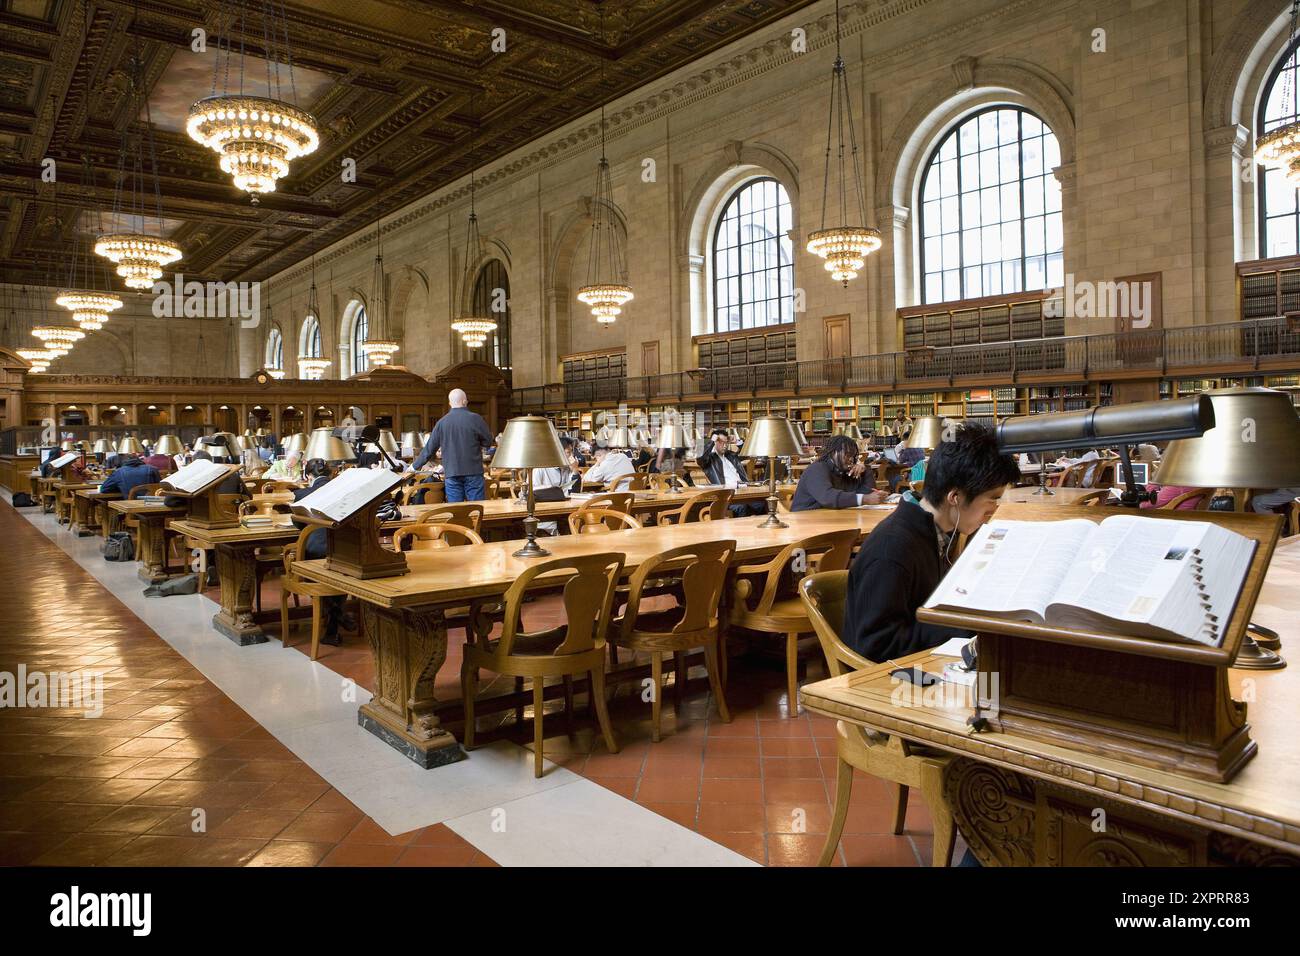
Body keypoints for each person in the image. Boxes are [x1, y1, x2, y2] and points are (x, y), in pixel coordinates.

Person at [844, 422, 1021, 662]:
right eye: (992, 499)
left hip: (929, 663)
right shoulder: (891, 549)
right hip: (889, 680)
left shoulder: (944, 531)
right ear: (955, 497)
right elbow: (877, 646)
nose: (994, 509)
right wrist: (965, 626)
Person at [292, 459, 349, 645]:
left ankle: (332, 614)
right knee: (339, 570)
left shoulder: (301, 494)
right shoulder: (342, 492)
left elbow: (298, 524)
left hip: (314, 553)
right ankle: (337, 615)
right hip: (342, 552)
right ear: (331, 474)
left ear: (309, 476)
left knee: (318, 565)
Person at [411, 388, 493, 502]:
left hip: (452, 471)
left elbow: (429, 449)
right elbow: (488, 441)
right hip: (473, 471)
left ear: (450, 403)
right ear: (465, 401)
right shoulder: (476, 419)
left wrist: (413, 467)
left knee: (455, 510)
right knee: (477, 508)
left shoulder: (442, 422)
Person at [791, 435, 886, 511]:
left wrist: (865, 470)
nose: (851, 460)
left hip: (828, 519)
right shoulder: (817, 469)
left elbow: (868, 493)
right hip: (805, 521)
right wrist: (865, 499)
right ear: (833, 453)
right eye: (848, 455)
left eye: (854, 456)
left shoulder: (845, 471)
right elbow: (827, 497)